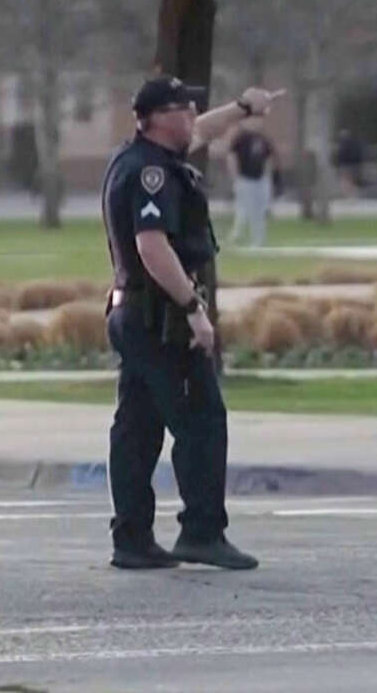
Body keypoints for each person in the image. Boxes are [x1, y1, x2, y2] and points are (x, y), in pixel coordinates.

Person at [100, 75, 281, 572]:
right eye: (182, 110)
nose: (192, 119)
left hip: (133, 311)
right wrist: (192, 308)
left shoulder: (137, 158)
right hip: (159, 317)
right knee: (202, 420)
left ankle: (132, 538)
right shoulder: (151, 174)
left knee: (137, 428)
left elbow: (200, 131)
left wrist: (243, 108)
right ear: (158, 118)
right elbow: (152, 246)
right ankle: (202, 531)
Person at [226, 116, 278, 247]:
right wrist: (235, 177)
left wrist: (268, 178)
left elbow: (268, 160)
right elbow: (232, 157)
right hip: (245, 178)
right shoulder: (240, 139)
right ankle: (236, 234)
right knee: (243, 209)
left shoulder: (264, 140)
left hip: (260, 179)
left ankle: (258, 239)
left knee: (259, 210)